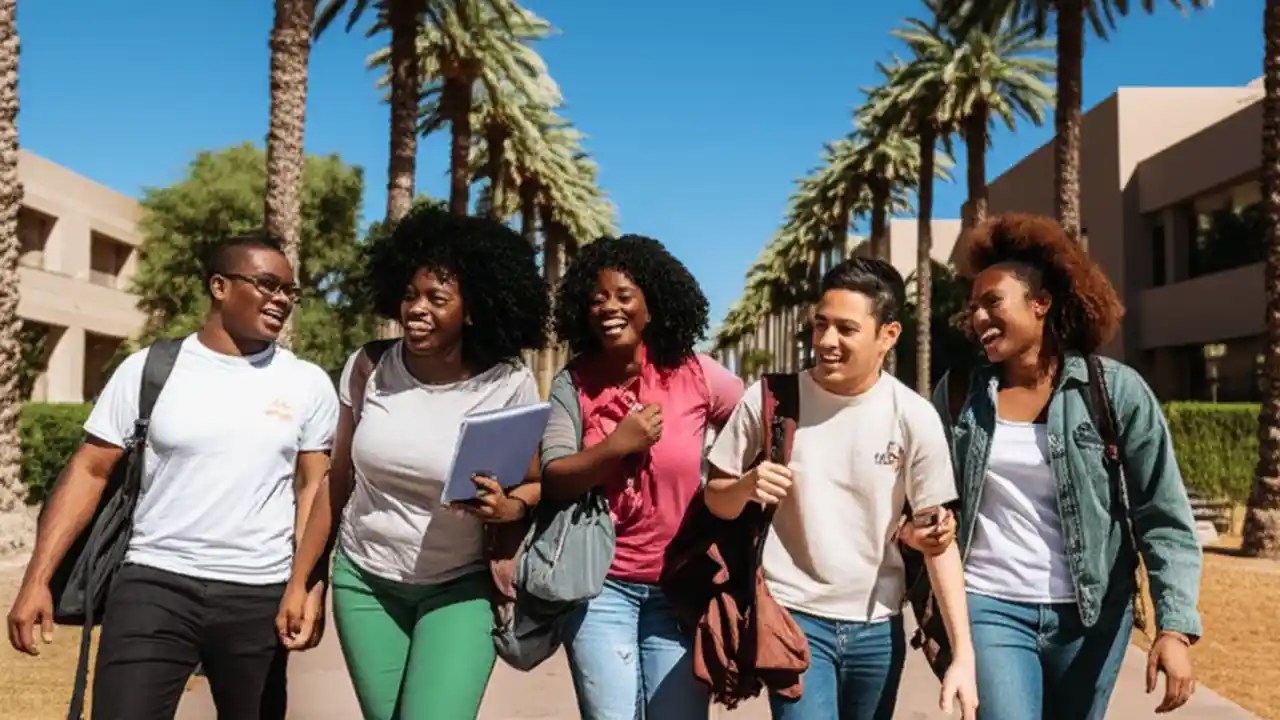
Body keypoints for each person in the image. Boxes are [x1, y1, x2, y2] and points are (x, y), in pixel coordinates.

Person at [6, 232, 338, 719]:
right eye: (268, 285)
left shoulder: (307, 383)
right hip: (154, 584)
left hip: (257, 592)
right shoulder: (149, 369)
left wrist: (307, 585)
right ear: (220, 286)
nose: (282, 300)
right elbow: (90, 470)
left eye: (291, 291)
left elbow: (314, 489)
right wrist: (37, 579)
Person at [902, 213, 1202, 720]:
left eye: (993, 302)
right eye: (974, 307)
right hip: (990, 604)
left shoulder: (1114, 390)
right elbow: (923, 494)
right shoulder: (959, 394)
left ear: (1040, 304)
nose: (978, 318)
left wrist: (1174, 627)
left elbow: (1162, 513)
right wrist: (915, 530)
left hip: (1092, 617)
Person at [278, 207, 550, 720]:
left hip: (460, 589)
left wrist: (508, 508)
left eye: (437, 299)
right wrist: (302, 581)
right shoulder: (369, 366)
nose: (417, 309)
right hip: (365, 584)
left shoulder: (507, 381)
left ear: (472, 310)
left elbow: (534, 484)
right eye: (410, 295)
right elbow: (337, 482)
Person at [705, 257, 979, 720]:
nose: (826, 341)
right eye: (821, 324)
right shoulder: (771, 399)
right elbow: (716, 499)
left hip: (878, 629)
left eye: (846, 329)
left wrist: (963, 655)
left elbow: (939, 542)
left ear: (888, 335)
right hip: (793, 618)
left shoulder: (913, 416)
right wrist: (748, 485)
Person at [539, 234, 744, 720]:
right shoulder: (574, 382)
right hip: (600, 587)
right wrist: (616, 446)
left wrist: (730, 490)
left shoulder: (697, 374)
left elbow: (755, 424)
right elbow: (555, 475)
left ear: (652, 306)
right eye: (597, 299)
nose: (609, 307)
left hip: (679, 588)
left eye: (623, 296)